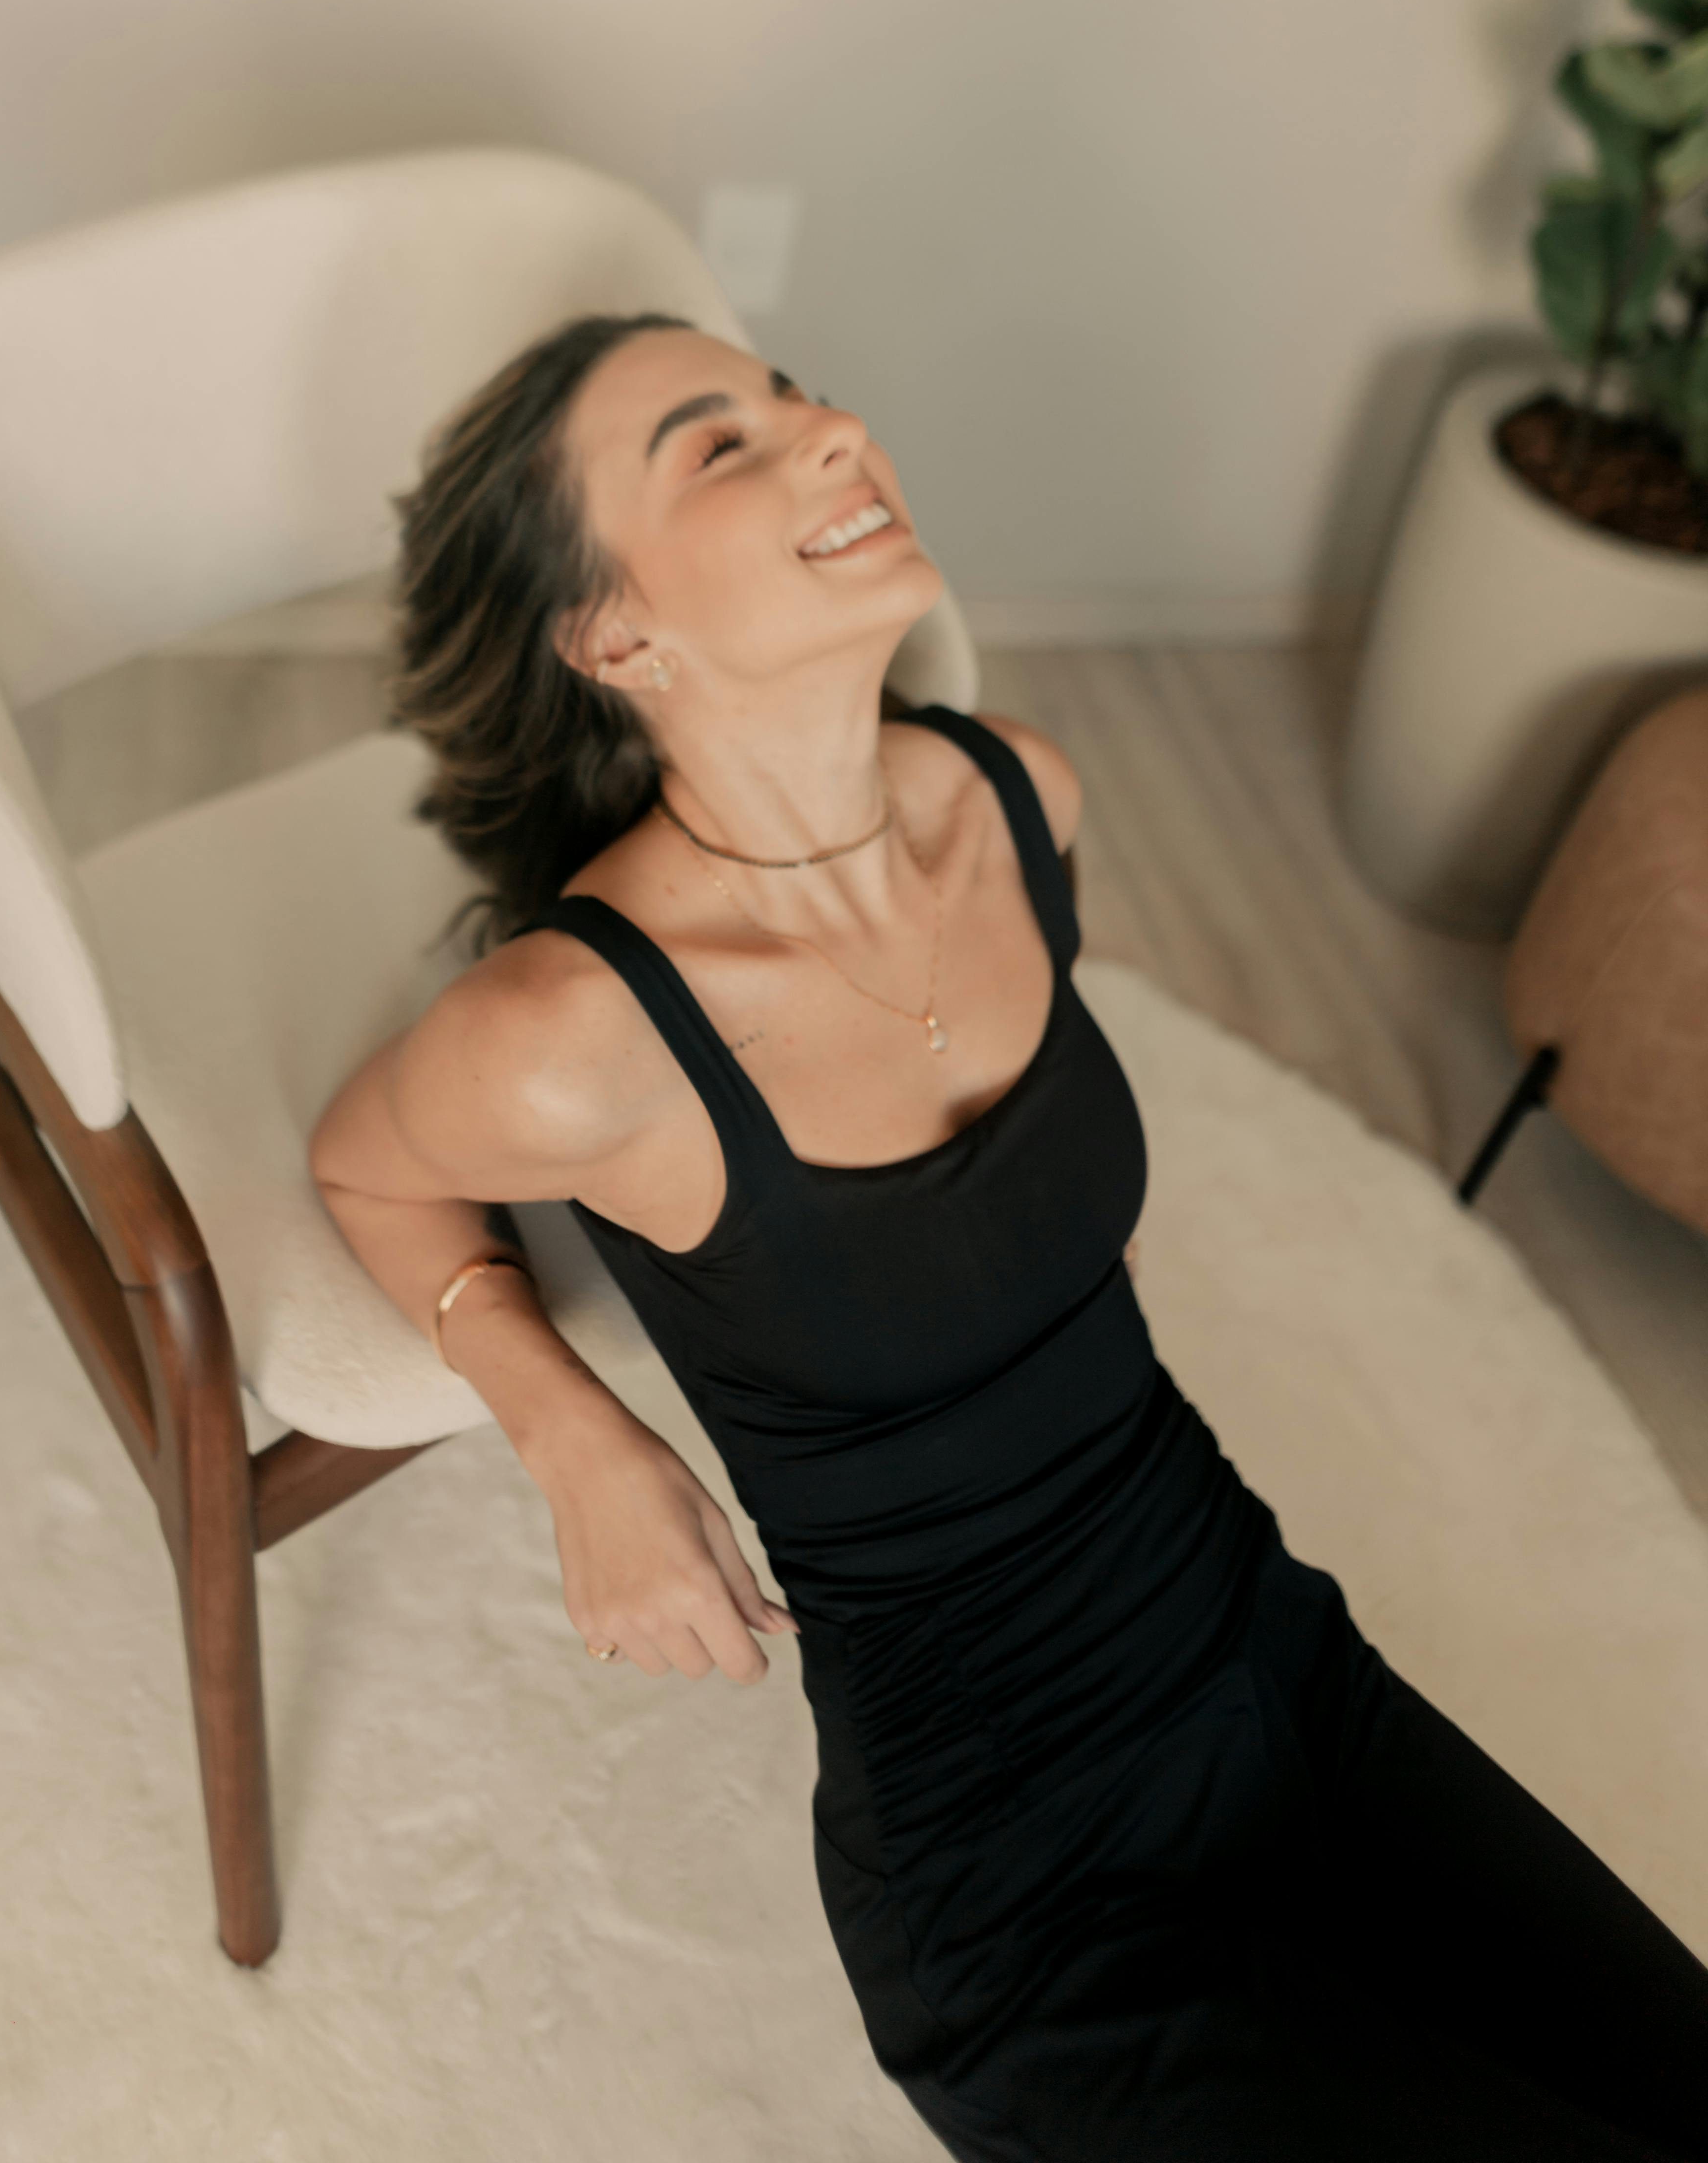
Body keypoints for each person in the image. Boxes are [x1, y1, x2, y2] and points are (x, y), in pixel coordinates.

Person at [306, 309, 1708, 2161]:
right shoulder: (584, 1036)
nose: (832, 431)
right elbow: (365, 1163)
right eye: (720, 447)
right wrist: (576, 1435)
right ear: (615, 636)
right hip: (1028, 1894)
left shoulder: (1016, 795)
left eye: (798, 396)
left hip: (1277, 1664)